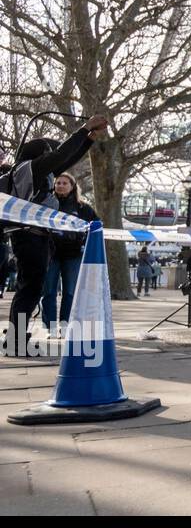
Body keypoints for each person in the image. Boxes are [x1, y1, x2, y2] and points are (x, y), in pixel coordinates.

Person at [1, 115, 109, 357]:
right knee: (30, 289)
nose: (52, 154)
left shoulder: (37, 172)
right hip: (29, 235)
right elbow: (61, 155)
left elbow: (67, 157)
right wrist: (84, 129)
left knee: (31, 288)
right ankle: (15, 341)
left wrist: (88, 140)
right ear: (39, 154)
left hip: (35, 236)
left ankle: (15, 338)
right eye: (48, 151)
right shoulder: (31, 169)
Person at [41, 173, 98, 334]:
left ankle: (65, 323)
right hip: (50, 254)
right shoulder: (46, 204)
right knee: (49, 291)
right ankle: (50, 326)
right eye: (57, 183)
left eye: (64, 183)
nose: (60, 185)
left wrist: (85, 243)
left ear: (72, 186)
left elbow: (96, 225)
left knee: (70, 291)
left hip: (73, 255)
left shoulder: (83, 207)